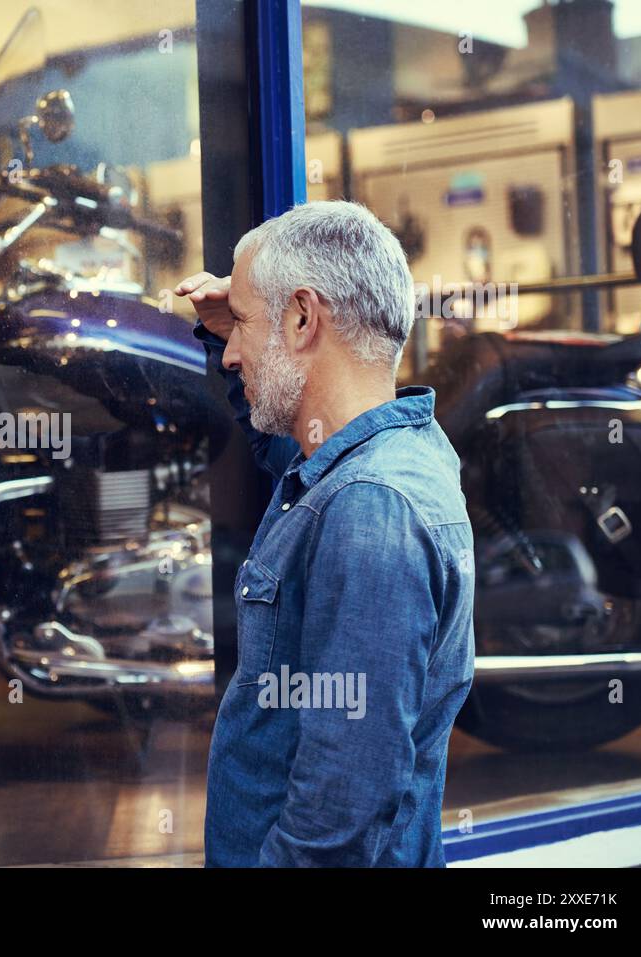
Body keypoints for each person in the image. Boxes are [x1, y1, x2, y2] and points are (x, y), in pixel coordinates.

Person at [176, 200, 475, 866]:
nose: (229, 354)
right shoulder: (380, 460)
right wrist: (239, 317)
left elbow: (342, 810)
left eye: (244, 327)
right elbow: (283, 445)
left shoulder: (369, 508)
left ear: (304, 317)